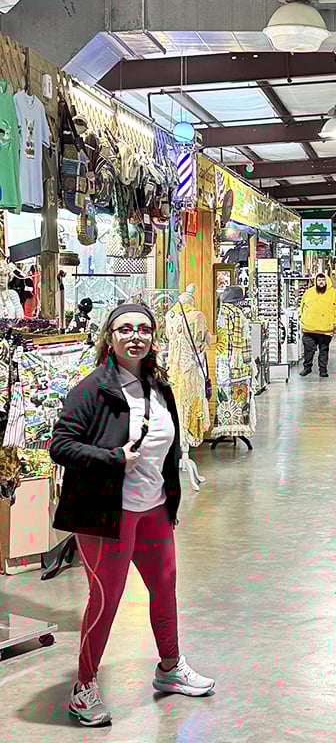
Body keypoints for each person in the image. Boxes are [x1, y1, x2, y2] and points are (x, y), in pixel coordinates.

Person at [50, 303, 214, 727]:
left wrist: (172, 491)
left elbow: (168, 446)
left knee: (164, 588)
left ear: (153, 338)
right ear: (110, 337)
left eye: (143, 329)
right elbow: (61, 445)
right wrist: (110, 458)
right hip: (108, 514)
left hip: (154, 510)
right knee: (105, 601)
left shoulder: (160, 386)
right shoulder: (91, 390)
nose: (135, 336)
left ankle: (170, 669)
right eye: (125, 329)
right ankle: (83, 688)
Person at [299, 273, 336, 378]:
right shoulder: (309, 293)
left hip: (326, 329)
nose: (321, 282)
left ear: (327, 281)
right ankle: (307, 367)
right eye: (319, 280)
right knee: (308, 349)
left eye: (323, 280)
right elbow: (302, 306)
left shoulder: (334, 294)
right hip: (309, 328)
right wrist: (302, 318)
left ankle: (323, 370)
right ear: (316, 281)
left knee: (324, 350)